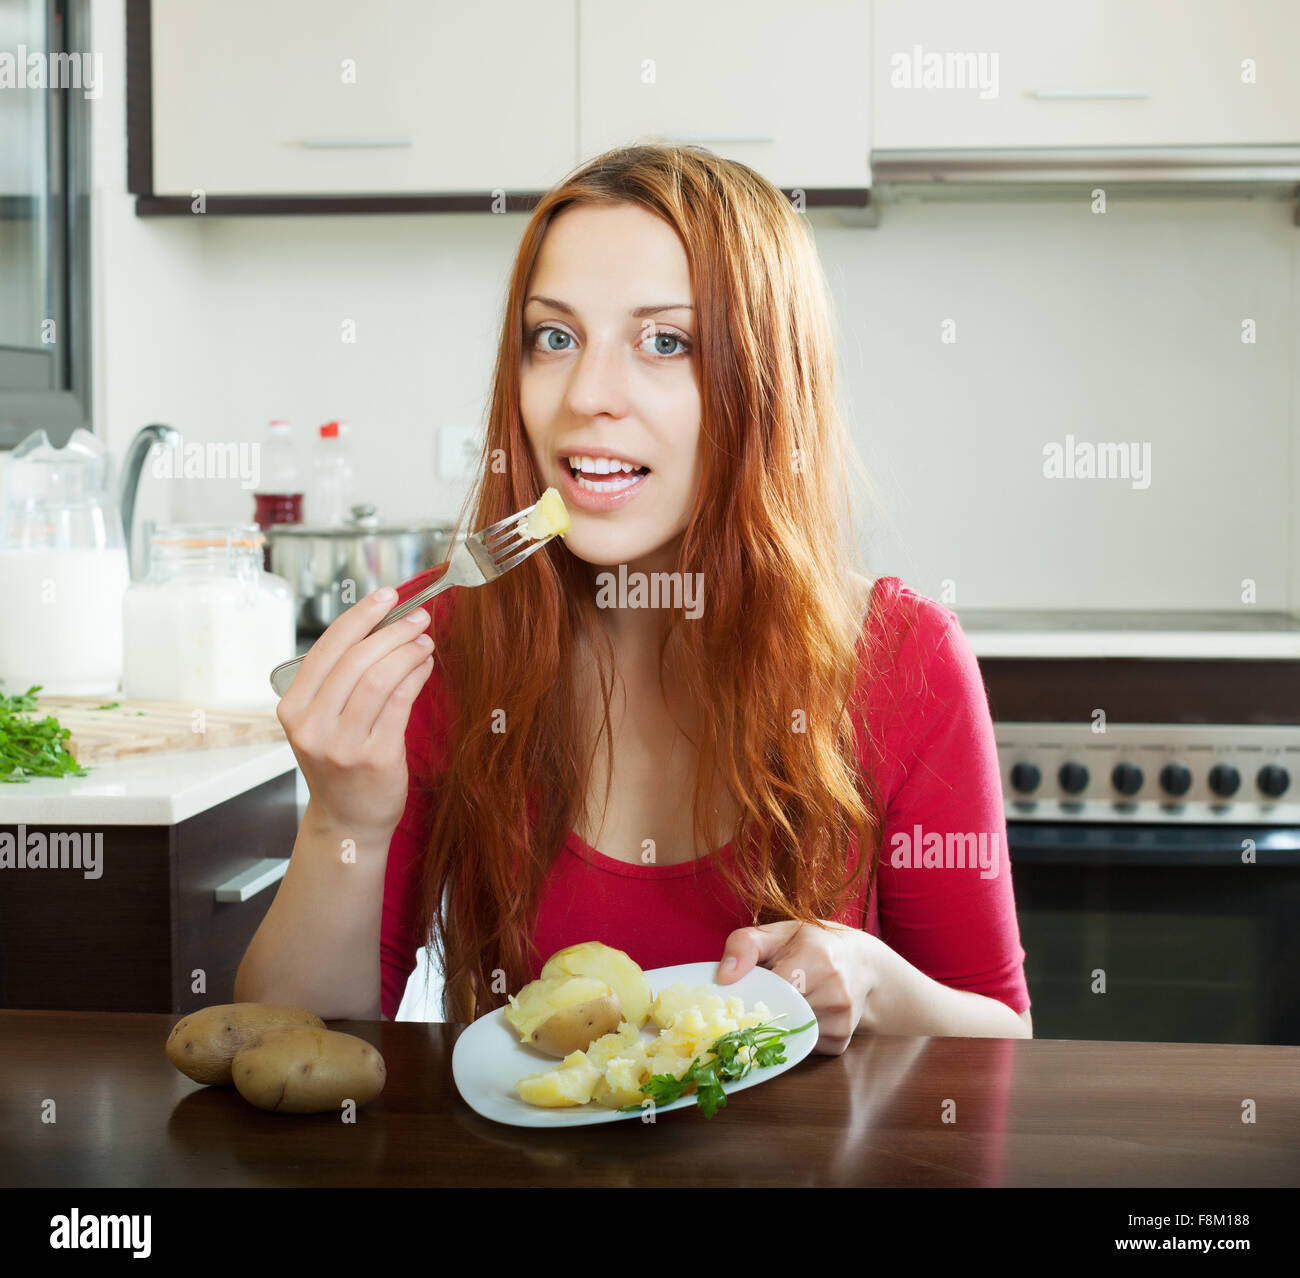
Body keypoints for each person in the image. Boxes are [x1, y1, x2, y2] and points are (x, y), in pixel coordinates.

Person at [236, 144, 1031, 1052]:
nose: (586, 395)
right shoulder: (444, 644)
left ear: (768, 387)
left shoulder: (902, 659)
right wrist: (342, 819)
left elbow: (1003, 1041)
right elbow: (289, 1041)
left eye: (665, 342)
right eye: (555, 337)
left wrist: (878, 984)